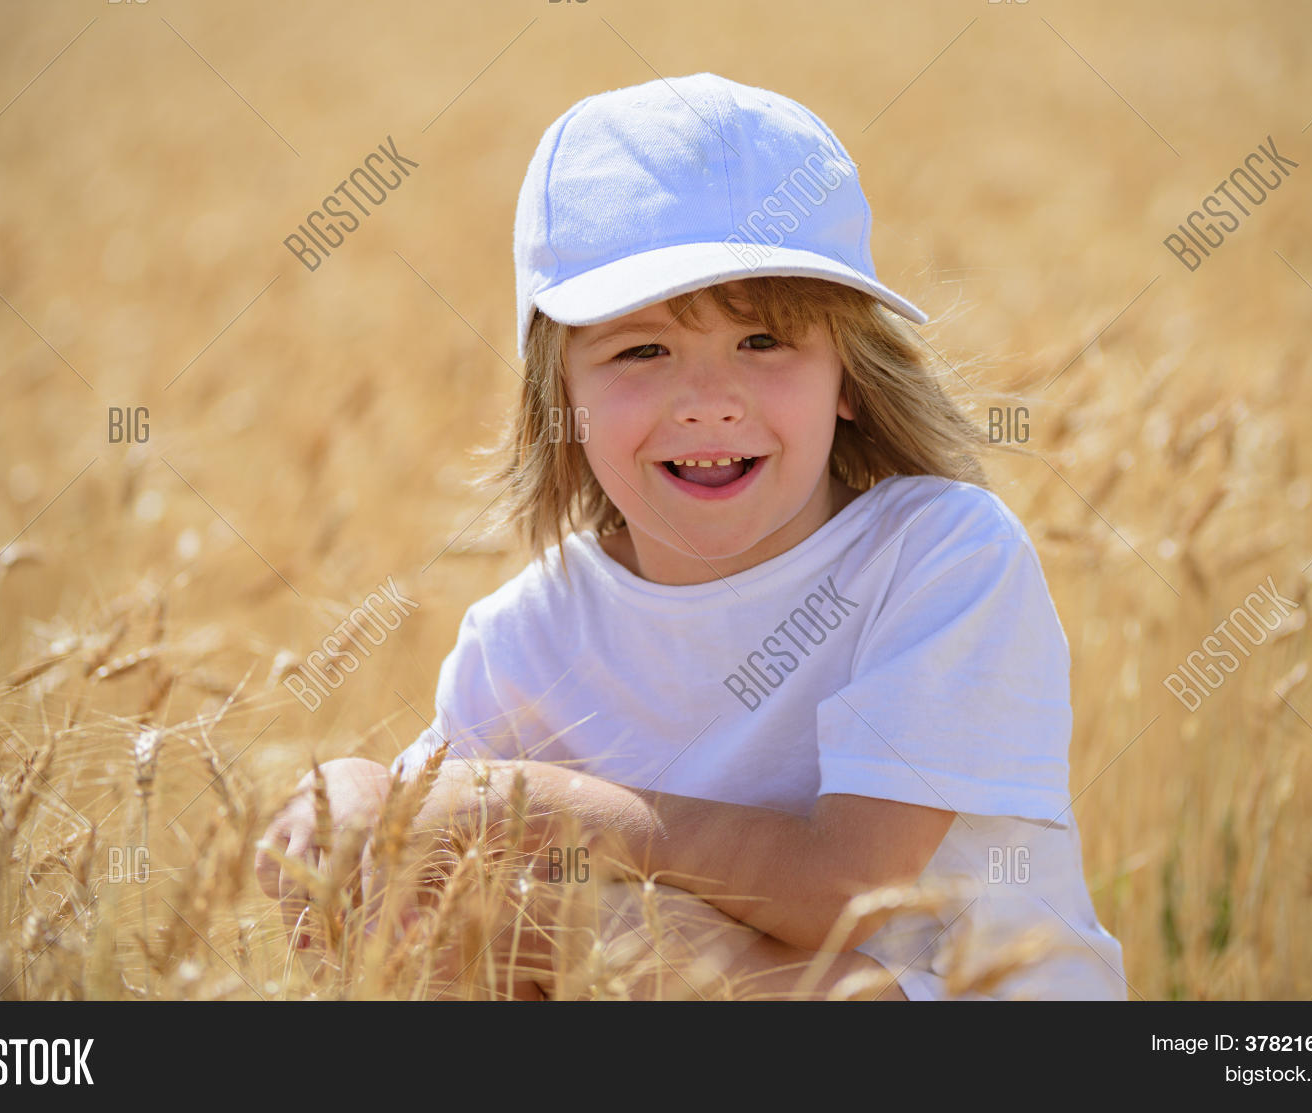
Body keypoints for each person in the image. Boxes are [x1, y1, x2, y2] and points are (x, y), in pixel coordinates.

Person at [256, 71, 1127, 1001]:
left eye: (764, 342)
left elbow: (855, 892)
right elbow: (420, 860)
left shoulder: (941, 555)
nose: (710, 403)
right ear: (562, 398)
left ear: (848, 376)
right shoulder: (520, 641)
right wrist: (354, 801)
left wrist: (539, 814)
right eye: (642, 350)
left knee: (586, 924)